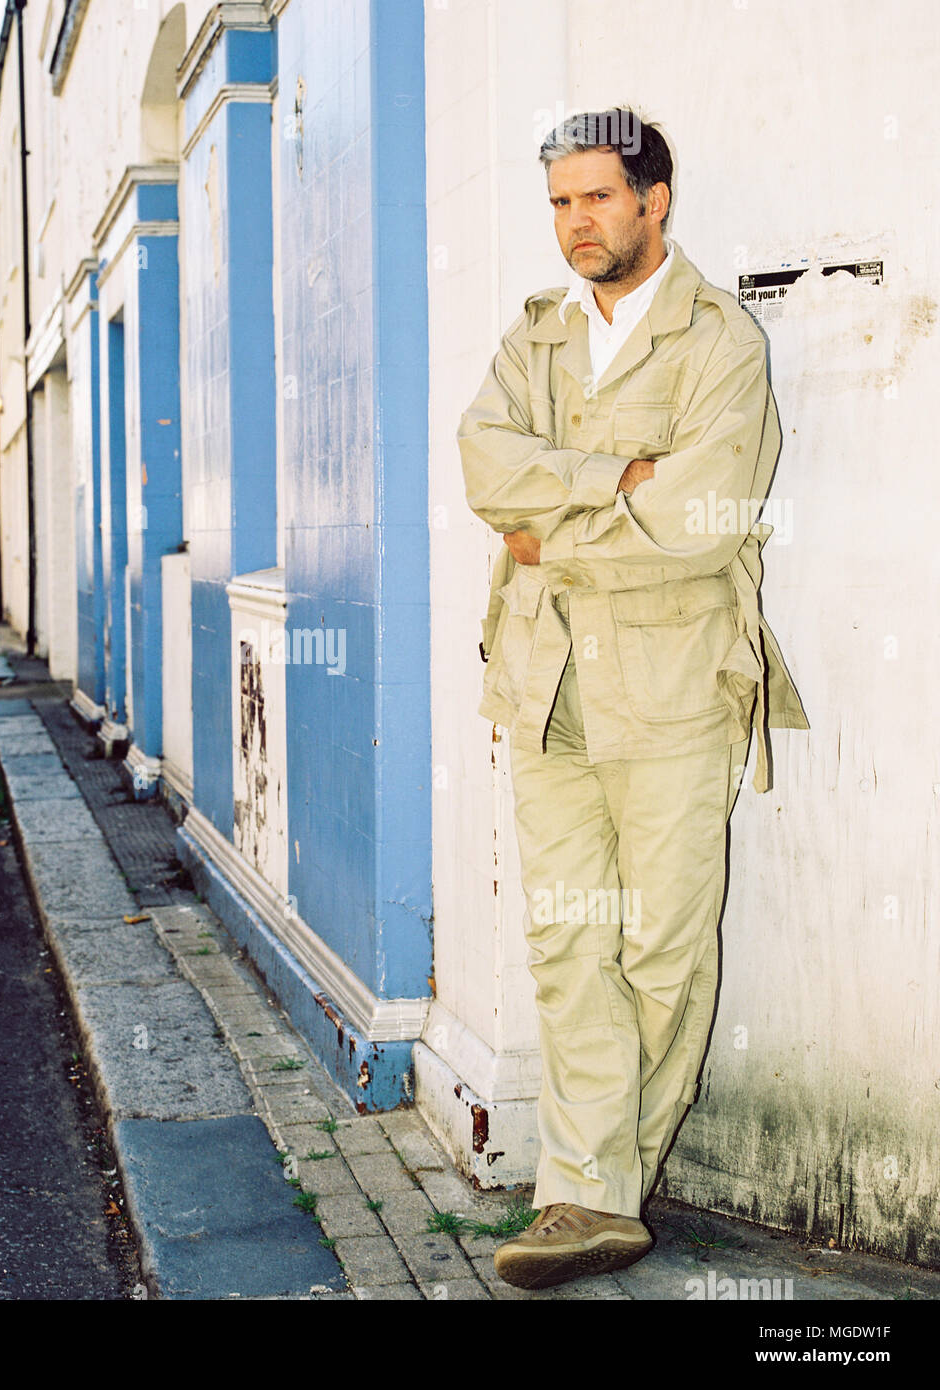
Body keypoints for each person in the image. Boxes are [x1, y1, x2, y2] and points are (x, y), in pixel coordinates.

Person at [456, 107, 807, 1290]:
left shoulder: (723, 345)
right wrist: (612, 483)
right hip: (545, 675)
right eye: (560, 202)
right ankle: (585, 1195)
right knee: (567, 941)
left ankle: (601, 1188)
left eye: (597, 198)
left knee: (662, 946)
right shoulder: (537, 336)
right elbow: (482, 465)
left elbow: (698, 524)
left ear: (657, 199)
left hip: (670, 688)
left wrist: (551, 531)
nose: (576, 224)